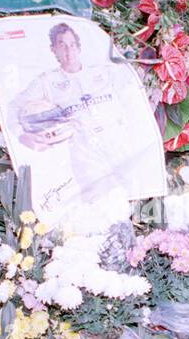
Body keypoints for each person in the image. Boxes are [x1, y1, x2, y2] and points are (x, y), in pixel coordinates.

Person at [10, 22, 143, 208]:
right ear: (53, 49)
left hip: (118, 141)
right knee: (99, 205)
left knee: (139, 196)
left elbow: (132, 97)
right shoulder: (47, 81)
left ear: (79, 47)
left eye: (72, 44)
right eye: (62, 45)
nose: (68, 50)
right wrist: (21, 134)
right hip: (84, 149)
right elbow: (15, 106)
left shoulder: (104, 71)